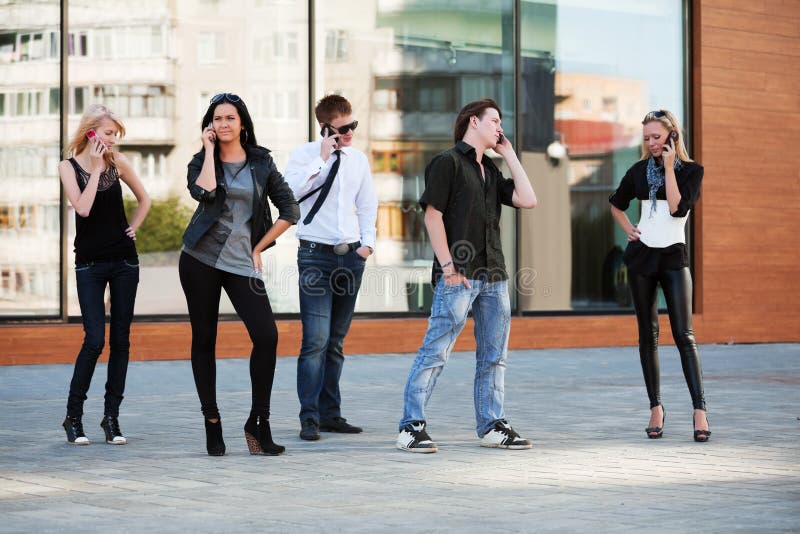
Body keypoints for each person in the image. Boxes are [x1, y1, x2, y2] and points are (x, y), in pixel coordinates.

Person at [396, 98, 537, 453]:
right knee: (435, 352)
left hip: (494, 276)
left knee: (494, 355)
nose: (500, 128)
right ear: (473, 122)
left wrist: (510, 156)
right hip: (458, 275)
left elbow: (528, 199)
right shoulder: (447, 163)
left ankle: (492, 425)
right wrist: (448, 267)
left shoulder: (491, 170)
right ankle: (411, 427)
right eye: (495, 121)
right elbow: (432, 216)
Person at [179, 93, 300, 456]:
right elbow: (204, 192)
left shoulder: (261, 163)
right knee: (204, 339)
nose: (223, 124)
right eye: (217, 119)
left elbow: (290, 209)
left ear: (242, 123)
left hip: (241, 264)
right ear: (210, 125)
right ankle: (212, 422)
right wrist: (208, 150)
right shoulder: (201, 161)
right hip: (199, 259)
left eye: (230, 118)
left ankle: (258, 422)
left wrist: (258, 248)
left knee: (266, 336)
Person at [609, 109, 710, 443]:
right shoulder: (637, 171)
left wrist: (668, 168)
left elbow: (677, 208)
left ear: (672, 136)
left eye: (657, 137)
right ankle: (656, 407)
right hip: (642, 259)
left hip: (673, 258)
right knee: (647, 336)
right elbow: (616, 204)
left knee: (685, 334)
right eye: (647, 138)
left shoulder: (692, 172)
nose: (652, 143)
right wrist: (629, 231)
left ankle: (699, 410)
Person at [284, 94, 377, 441]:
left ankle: (330, 414)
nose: (350, 133)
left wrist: (367, 245)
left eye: (353, 126)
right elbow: (290, 193)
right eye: (343, 129)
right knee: (315, 341)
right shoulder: (303, 156)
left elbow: (367, 204)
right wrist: (321, 161)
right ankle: (309, 417)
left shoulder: (358, 160)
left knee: (336, 342)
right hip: (314, 256)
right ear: (324, 127)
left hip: (351, 258)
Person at [59, 104, 151, 445]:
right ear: (91, 132)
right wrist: (96, 168)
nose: (113, 139)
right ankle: (73, 417)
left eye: (116, 134)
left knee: (121, 340)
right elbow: (82, 208)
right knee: (94, 339)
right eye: (109, 133)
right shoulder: (68, 167)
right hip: (89, 264)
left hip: (125, 262)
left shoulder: (120, 162)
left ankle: (111, 419)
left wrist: (134, 228)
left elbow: (145, 199)